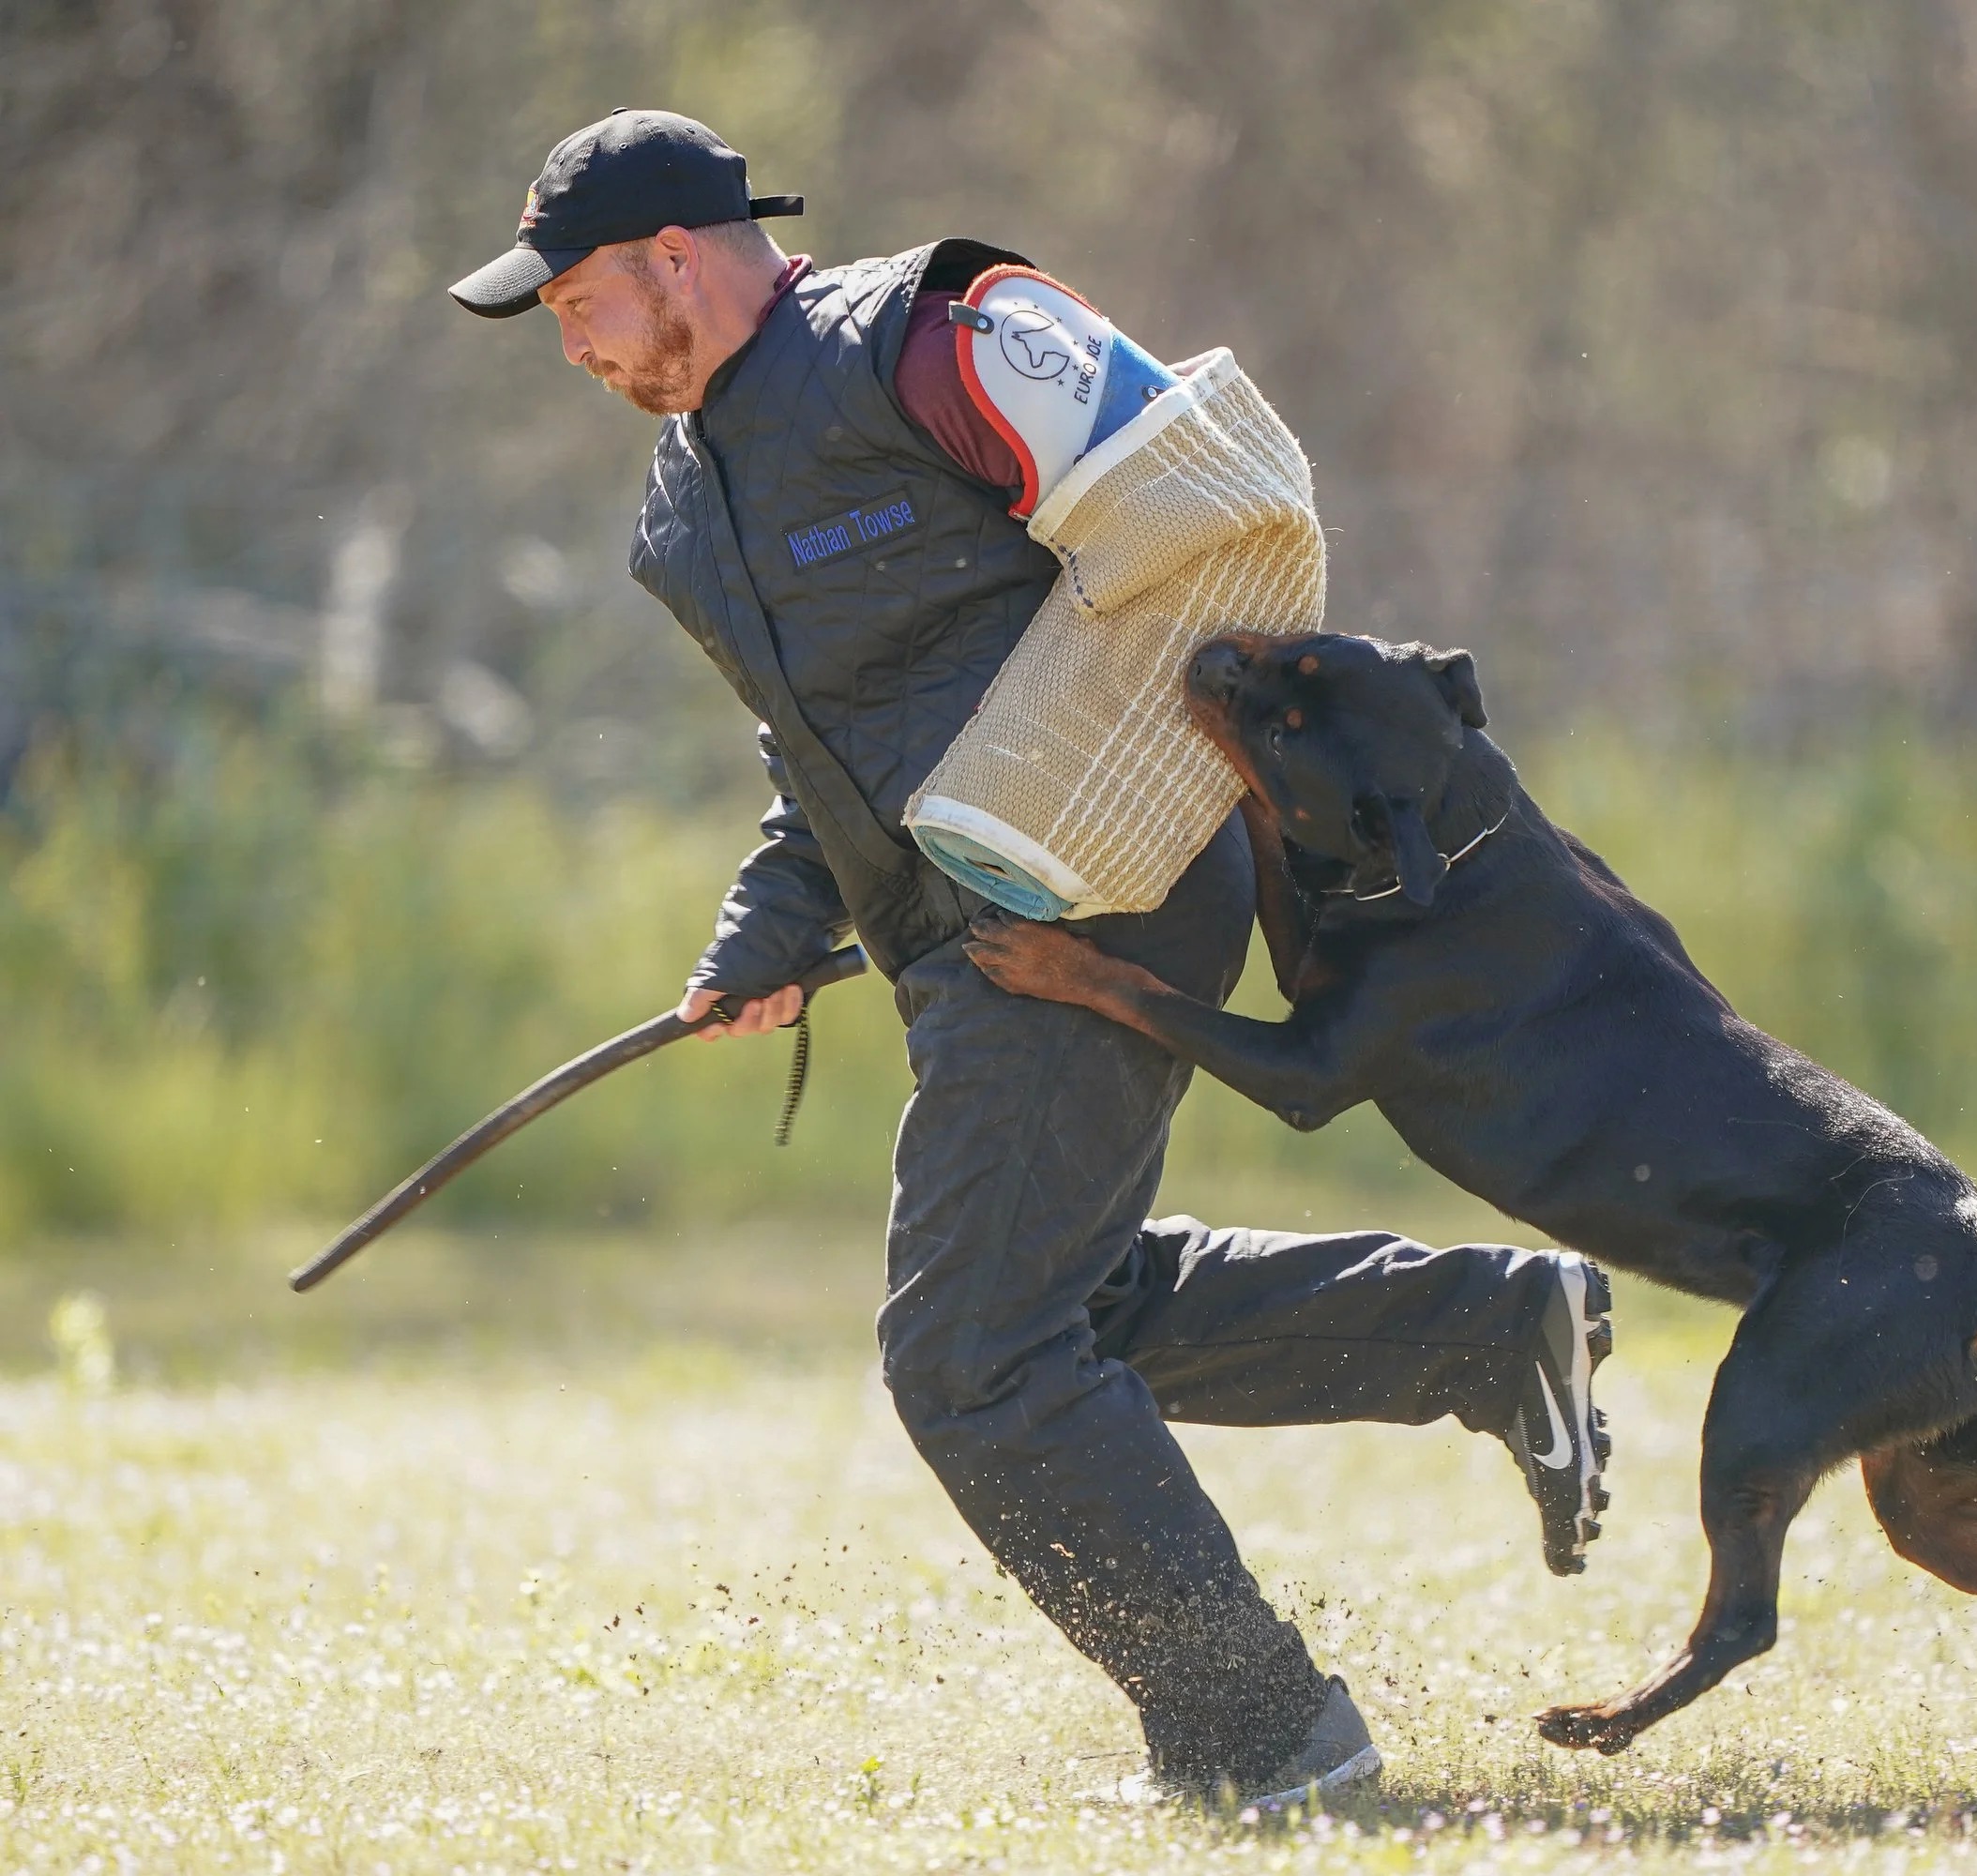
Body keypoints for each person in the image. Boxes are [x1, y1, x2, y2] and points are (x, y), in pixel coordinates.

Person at [448, 108, 1611, 1805]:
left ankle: (1264, 1736)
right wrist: (767, 934)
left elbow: (1210, 509)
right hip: (947, 942)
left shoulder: (929, 338)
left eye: (577, 300)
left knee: (973, 1357)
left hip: (1105, 895)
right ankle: (1483, 1331)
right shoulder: (680, 513)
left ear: (676, 256)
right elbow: (815, 762)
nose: (568, 335)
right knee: (1064, 1306)